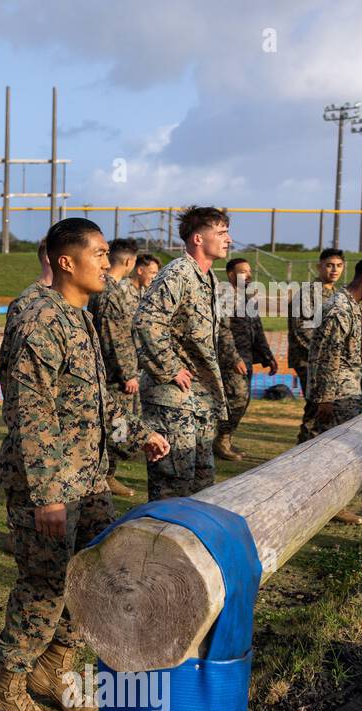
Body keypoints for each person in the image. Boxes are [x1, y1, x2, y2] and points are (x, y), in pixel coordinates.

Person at [0, 218, 169, 711]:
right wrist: (46, 495)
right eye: (100, 254)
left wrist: (138, 434)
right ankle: (7, 689)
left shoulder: (77, 316)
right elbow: (33, 410)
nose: (108, 264)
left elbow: (91, 400)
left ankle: (52, 668)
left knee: (92, 576)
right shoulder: (39, 317)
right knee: (44, 584)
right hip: (49, 483)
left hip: (87, 478)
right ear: (67, 262)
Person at [134, 206, 242, 500]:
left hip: (199, 399)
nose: (228, 239)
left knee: (201, 484)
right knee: (173, 486)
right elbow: (146, 320)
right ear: (197, 238)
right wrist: (170, 368)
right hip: (172, 399)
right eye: (220, 232)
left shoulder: (208, 279)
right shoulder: (178, 273)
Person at [307, 255, 362, 525]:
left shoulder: (352, 306)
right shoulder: (338, 309)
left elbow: (351, 354)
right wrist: (324, 400)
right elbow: (326, 357)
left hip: (349, 392)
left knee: (337, 453)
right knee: (334, 456)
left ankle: (331, 504)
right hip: (338, 397)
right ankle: (330, 506)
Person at [87, 236, 139, 497]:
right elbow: (113, 337)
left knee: (117, 426)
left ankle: (108, 473)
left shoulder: (110, 289)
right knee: (116, 426)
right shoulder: (109, 293)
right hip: (114, 377)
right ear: (129, 261)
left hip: (114, 373)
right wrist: (127, 373)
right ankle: (105, 475)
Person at [213, 258, 276, 461]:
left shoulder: (248, 298)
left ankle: (225, 439)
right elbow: (223, 332)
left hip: (247, 359)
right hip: (230, 360)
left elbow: (257, 329)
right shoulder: (224, 297)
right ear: (231, 275)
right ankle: (220, 441)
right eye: (243, 272)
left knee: (243, 400)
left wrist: (268, 357)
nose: (248, 276)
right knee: (236, 399)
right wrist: (234, 359)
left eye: (249, 271)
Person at [292, 248, 346, 443]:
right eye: (329, 265)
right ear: (319, 267)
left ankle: (309, 447)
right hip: (308, 360)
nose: (334, 270)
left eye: (339, 266)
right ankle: (304, 449)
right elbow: (302, 331)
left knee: (324, 405)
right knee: (317, 404)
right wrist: (324, 355)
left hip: (329, 361)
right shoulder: (307, 294)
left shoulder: (338, 295)